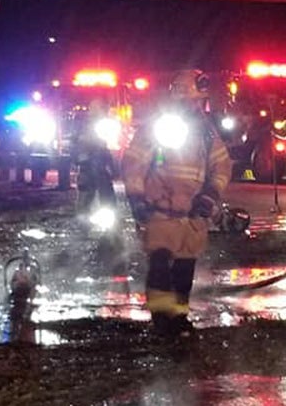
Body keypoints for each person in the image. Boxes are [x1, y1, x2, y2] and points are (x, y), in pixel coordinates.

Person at [122, 69, 232, 337]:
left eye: (199, 102)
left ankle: (179, 318)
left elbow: (222, 166)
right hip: (162, 211)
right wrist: (136, 198)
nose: (197, 106)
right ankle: (162, 321)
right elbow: (135, 162)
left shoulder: (207, 132)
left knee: (185, 268)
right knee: (160, 264)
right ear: (179, 99)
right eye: (192, 101)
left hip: (193, 216)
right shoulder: (160, 127)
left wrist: (210, 196)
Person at [74, 98, 117, 216]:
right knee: (85, 192)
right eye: (93, 108)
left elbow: (110, 143)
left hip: (100, 164)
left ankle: (110, 223)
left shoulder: (107, 124)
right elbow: (78, 142)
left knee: (105, 192)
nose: (94, 111)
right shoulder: (83, 124)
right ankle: (84, 221)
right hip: (87, 164)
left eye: (97, 108)